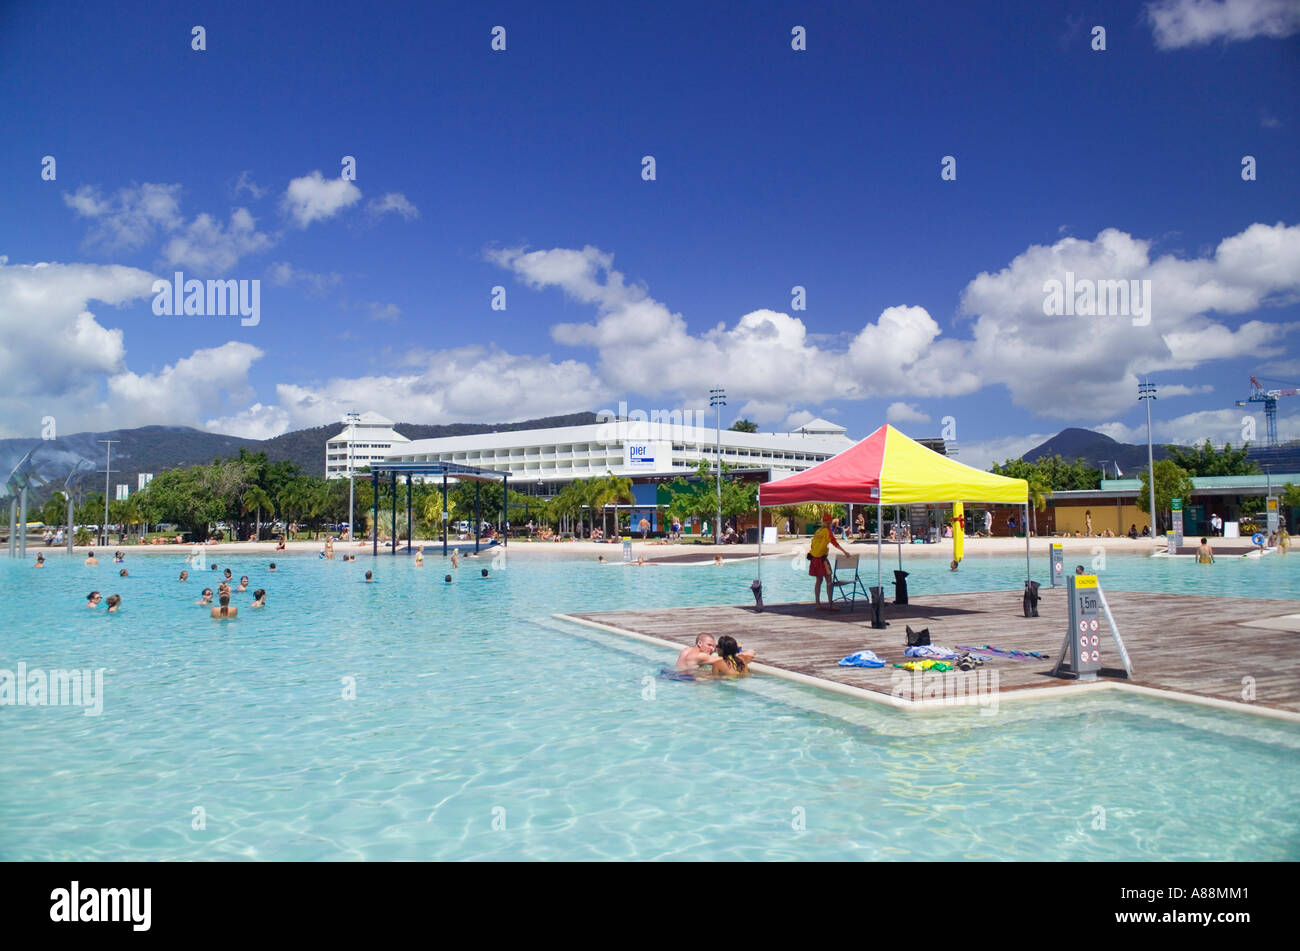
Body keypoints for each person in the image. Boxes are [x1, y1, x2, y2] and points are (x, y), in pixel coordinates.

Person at [809, 513, 848, 611]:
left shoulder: (818, 531)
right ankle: (831, 604)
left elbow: (812, 544)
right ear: (830, 522)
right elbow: (835, 543)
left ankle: (817, 603)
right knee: (829, 581)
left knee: (819, 580)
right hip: (822, 558)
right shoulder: (828, 531)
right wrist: (845, 552)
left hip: (813, 557)